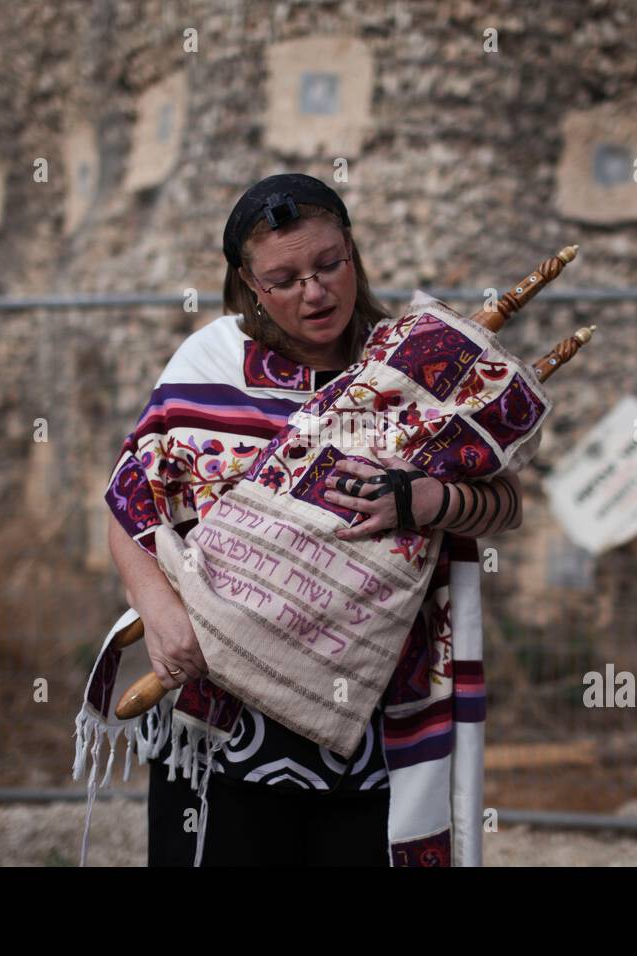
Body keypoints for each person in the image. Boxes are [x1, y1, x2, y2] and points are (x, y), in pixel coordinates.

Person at [102, 173, 525, 866]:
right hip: (221, 729)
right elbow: (129, 498)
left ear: (353, 252)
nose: (315, 292)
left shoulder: (410, 368)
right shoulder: (210, 365)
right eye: (285, 278)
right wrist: (157, 605)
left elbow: (504, 501)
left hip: (371, 733)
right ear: (248, 285)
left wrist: (425, 501)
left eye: (329, 265)